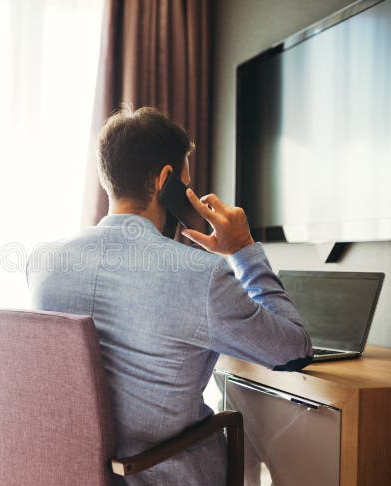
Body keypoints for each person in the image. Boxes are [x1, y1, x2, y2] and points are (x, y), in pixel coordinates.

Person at [26, 106, 313, 485]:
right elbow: (293, 350)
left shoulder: (44, 263)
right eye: (186, 182)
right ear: (166, 181)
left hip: (75, 473)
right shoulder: (203, 276)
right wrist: (242, 249)